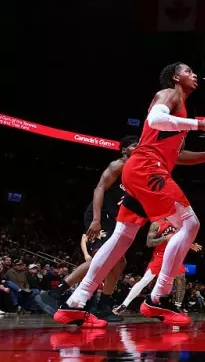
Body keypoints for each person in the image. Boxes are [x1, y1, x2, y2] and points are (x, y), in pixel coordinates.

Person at [54, 62, 205, 327]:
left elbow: (177, 156)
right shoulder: (168, 95)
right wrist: (201, 125)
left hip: (142, 170)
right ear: (175, 77)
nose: (194, 75)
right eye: (188, 71)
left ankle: (75, 303)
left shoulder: (179, 111)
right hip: (148, 169)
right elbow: (155, 120)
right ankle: (158, 298)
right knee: (190, 224)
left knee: (122, 237)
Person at [41, 137, 142, 323]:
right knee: (101, 258)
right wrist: (96, 219)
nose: (138, 147)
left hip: (114, 219)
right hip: (99, 215)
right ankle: (54, 293)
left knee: (119, 263)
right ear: (124, 150)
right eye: (133, 145)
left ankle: (103, 305)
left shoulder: (138, 170)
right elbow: (99, 189)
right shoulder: (118, 165)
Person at [113, 220, 202, 314]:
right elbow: (149, 243)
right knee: (145, 280)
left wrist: (190, 245)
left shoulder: (178, 223)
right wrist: (165, 238)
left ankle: (177, 307)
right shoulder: (157, 224)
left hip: (173, 255)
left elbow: (181, 239)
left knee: (181, 278)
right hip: (160, 255)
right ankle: (124, 305)